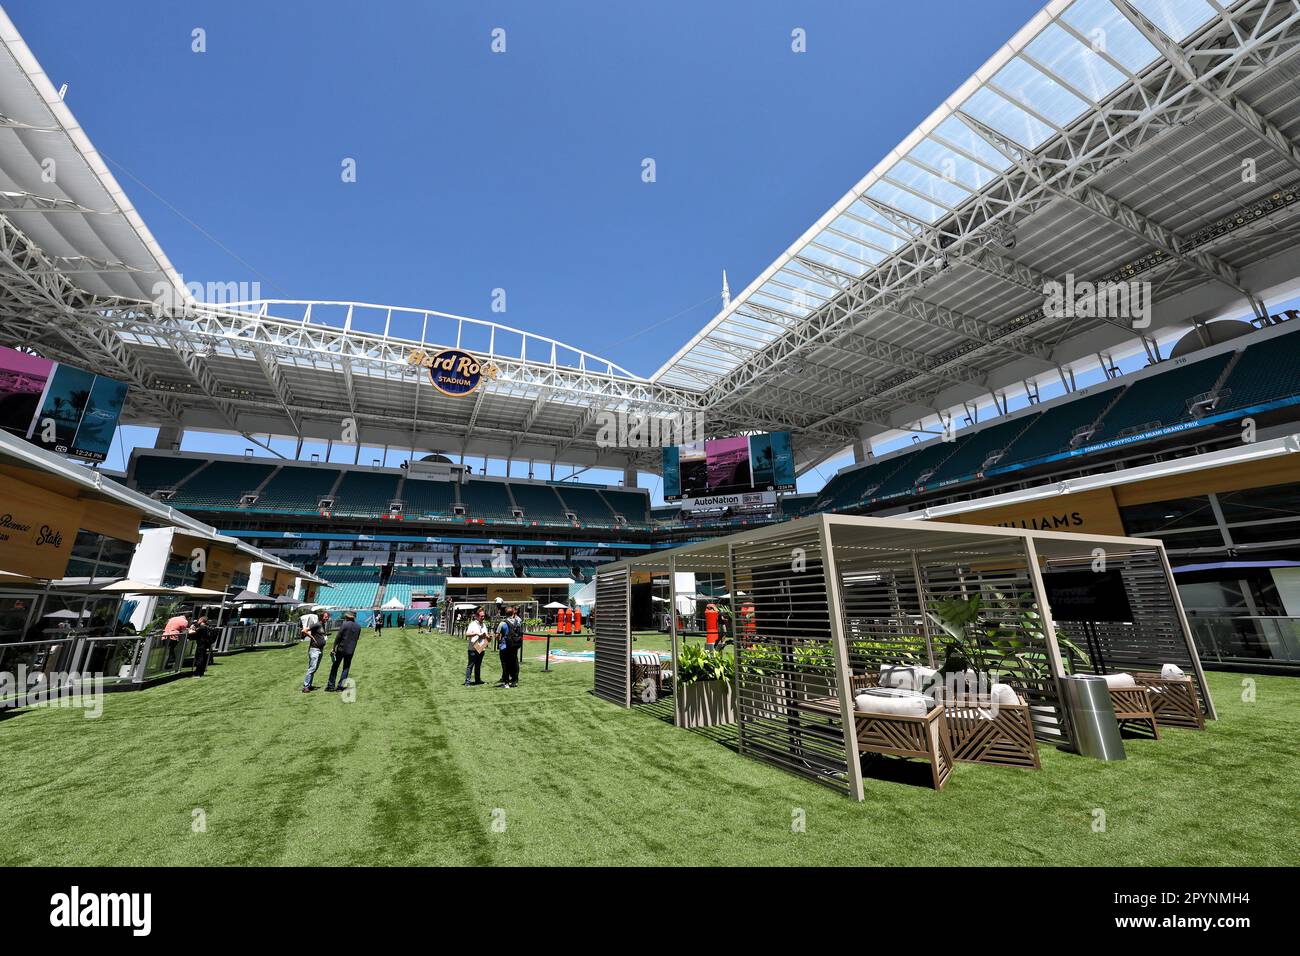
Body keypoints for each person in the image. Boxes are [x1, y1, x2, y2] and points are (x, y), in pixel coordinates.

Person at [325, 611, 362, 692]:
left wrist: (334, 647)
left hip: (341, 649)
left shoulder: (345, 624)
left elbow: (338, 637)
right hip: (350, 650)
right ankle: (340, 687)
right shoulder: (358, 627)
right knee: (346, 668)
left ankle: (331, 686)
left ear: (347, 617)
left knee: (335, 667)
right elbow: (357, 638)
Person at [496, 606, 524, 688]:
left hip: (505, 646)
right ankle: (514, 681)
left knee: (505, 664)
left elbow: (497, 635)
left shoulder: (503, 623)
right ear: (513, 613)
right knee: (514, 662)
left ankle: (506, 682)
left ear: (505, 613)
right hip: (515, 645)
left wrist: (499, 641)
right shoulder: (518, 621)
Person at [464, 607, 490, 686]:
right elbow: (467, 634)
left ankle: (478, 680)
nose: (483, 617)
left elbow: (486, 634)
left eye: (483, 616)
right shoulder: (472, 624)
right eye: (481, 616)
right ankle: (467, 682)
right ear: (477, 616)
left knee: (478, 666)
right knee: (470, 665)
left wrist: (489, 637)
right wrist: (476, 633)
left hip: (481, 648)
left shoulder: (484, 625)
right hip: (473, 648)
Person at [302, 613, 327, 693]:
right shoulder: (316, 625)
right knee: (312, 668)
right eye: (326, 617)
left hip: (320, 650)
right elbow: (304, 630)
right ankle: (306, 686)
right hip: (314, 649)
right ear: (321, 617)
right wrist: (312, 637)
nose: (327, 618)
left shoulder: (322, 625)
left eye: (327, 617)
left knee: (314, 668)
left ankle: (309, 685)